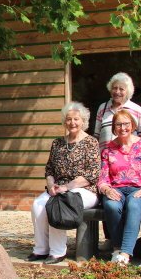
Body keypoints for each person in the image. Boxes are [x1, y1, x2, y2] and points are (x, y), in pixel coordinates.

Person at [28, 102, 100, 265]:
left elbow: (92, 174)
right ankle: (41, 249)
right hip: (59, 187)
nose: (72, 123)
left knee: (58, 204)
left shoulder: (91, 143)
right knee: (38, 204)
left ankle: (57, 252)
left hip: (85, 190)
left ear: (83, 121)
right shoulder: (57, 143)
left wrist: (67, 187)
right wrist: (51, 184)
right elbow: (49, 169)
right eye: (68, 119)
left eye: (76, 119)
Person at [97, 110, 141, 265]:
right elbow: (102, 177)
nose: (122, 127)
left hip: (139, 189)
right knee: (110, 206)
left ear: (133, 125)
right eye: (118, 124)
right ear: (113, 128)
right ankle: (116, 249)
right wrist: (107, 190)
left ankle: (125, 254)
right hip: (115, 189)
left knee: (134, 205)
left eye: (126, 124)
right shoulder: (108, 149)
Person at [94, 72, 141, 150]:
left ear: (128, 91)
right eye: (114, 88)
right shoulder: (102, 108)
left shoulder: (137, 109)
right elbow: (96, 135)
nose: (117, 92)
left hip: (129, 158)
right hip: (105, 158)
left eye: (121, 89)